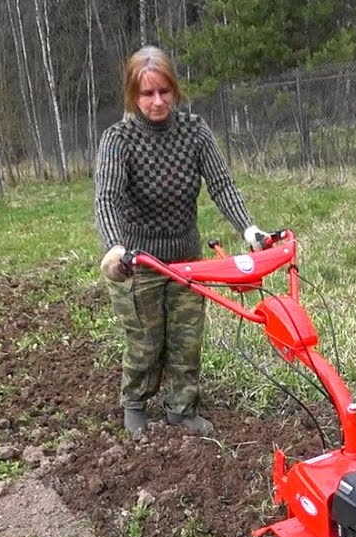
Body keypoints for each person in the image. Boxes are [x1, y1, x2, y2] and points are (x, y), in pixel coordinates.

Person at [94, 45, 269, 437]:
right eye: (147, 93)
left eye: (164, 91)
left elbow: (222, 185)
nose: (157, 101)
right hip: (139, 263)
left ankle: (181, 409)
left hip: (187, 259)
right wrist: (114, 247)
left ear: (175, 90)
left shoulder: (194, 131)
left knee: (187, 339)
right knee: (146, 341)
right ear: (133, 95)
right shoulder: (118, 140)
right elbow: (108, 197)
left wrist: (249, 229)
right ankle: (135, 405)